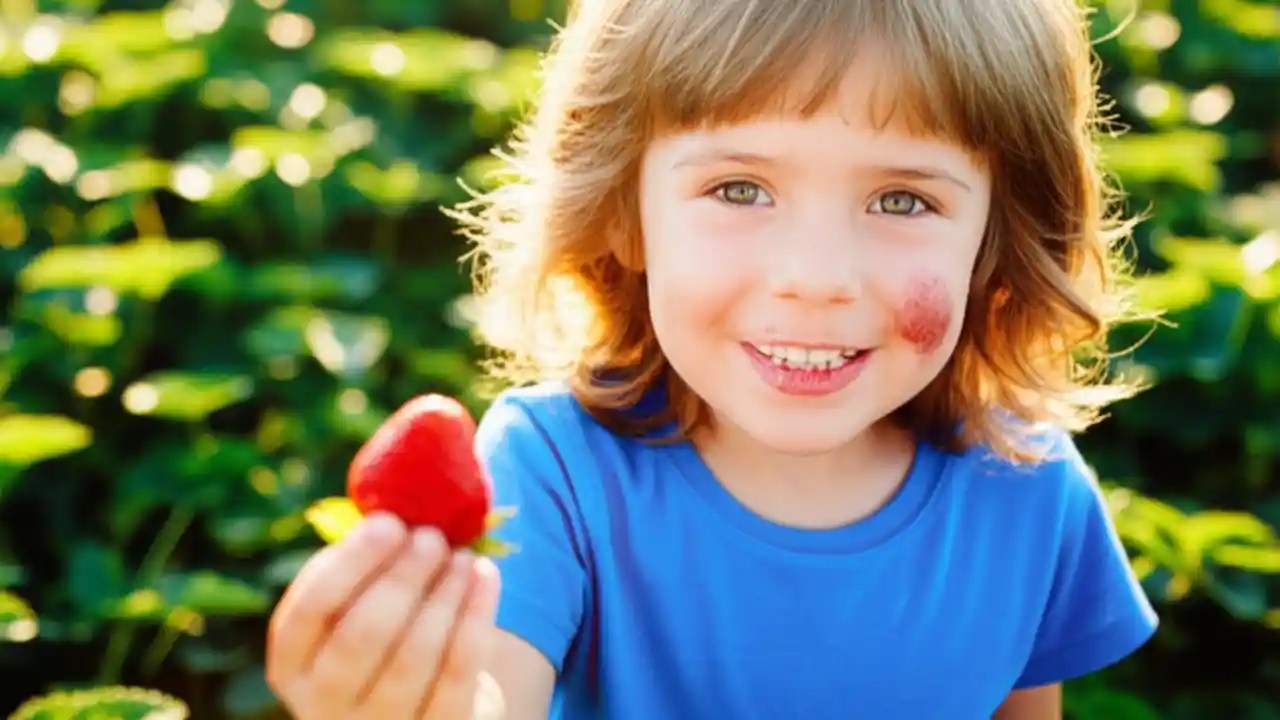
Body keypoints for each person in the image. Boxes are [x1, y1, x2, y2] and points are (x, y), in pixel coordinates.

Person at [265, 0, 1164, 717]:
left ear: (998, 243)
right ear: (622, 212)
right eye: (740, 188)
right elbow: (495, 690)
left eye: (901, 200)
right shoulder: (557, 473)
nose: (816, 278)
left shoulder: (1029, 490)